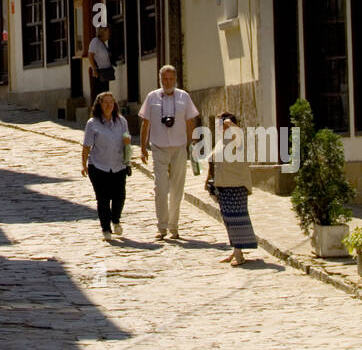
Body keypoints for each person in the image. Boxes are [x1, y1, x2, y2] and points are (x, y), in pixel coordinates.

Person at [139, 63, 199, 241]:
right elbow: (145, 123)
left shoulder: (184, 97)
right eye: (164, 79)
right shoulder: (152, 97)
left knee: (177, 189)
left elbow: (190, 122)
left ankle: (174, 226)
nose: (168, 81)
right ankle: (162, 226)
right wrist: (142, 148)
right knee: (160, 188)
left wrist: (192, 145)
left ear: (175, 79)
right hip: (158, 147)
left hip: (179, 147)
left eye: (171, 78)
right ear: (160, 80)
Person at [205, 112, 257, 266]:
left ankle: (239, 255)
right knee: (228, 220)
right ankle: (235, 250)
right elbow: (212, 160)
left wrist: (231, 124)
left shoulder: (238, 139)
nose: (221, 127)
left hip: (236, 185)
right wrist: (208, 179)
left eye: (222, 124)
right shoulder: (222, 142)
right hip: (223, 185)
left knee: (237, 219)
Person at [81, 92, 132, 240]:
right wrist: (83, 165)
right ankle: (106, 229)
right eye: (106, 102)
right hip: (98, 166)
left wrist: (127, 147)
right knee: (102, 199)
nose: (109, 105)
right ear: (99, 105)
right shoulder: (93, 123)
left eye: (112, 102)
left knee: (119, 197)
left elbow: (126, 140)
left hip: (118, 165)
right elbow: (86, 146)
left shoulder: (121, 121)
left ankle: (115, 220)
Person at [87, 26, 114, 107]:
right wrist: (94, 69)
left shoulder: (102, 43)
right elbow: (90, 55)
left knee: (105, 94)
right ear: (103, 32)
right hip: (99, 73)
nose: (109, 34)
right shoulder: (95, 41)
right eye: (108, 32)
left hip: (105, 72)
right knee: (99, 94)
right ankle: (97, 113)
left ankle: (104, 111)